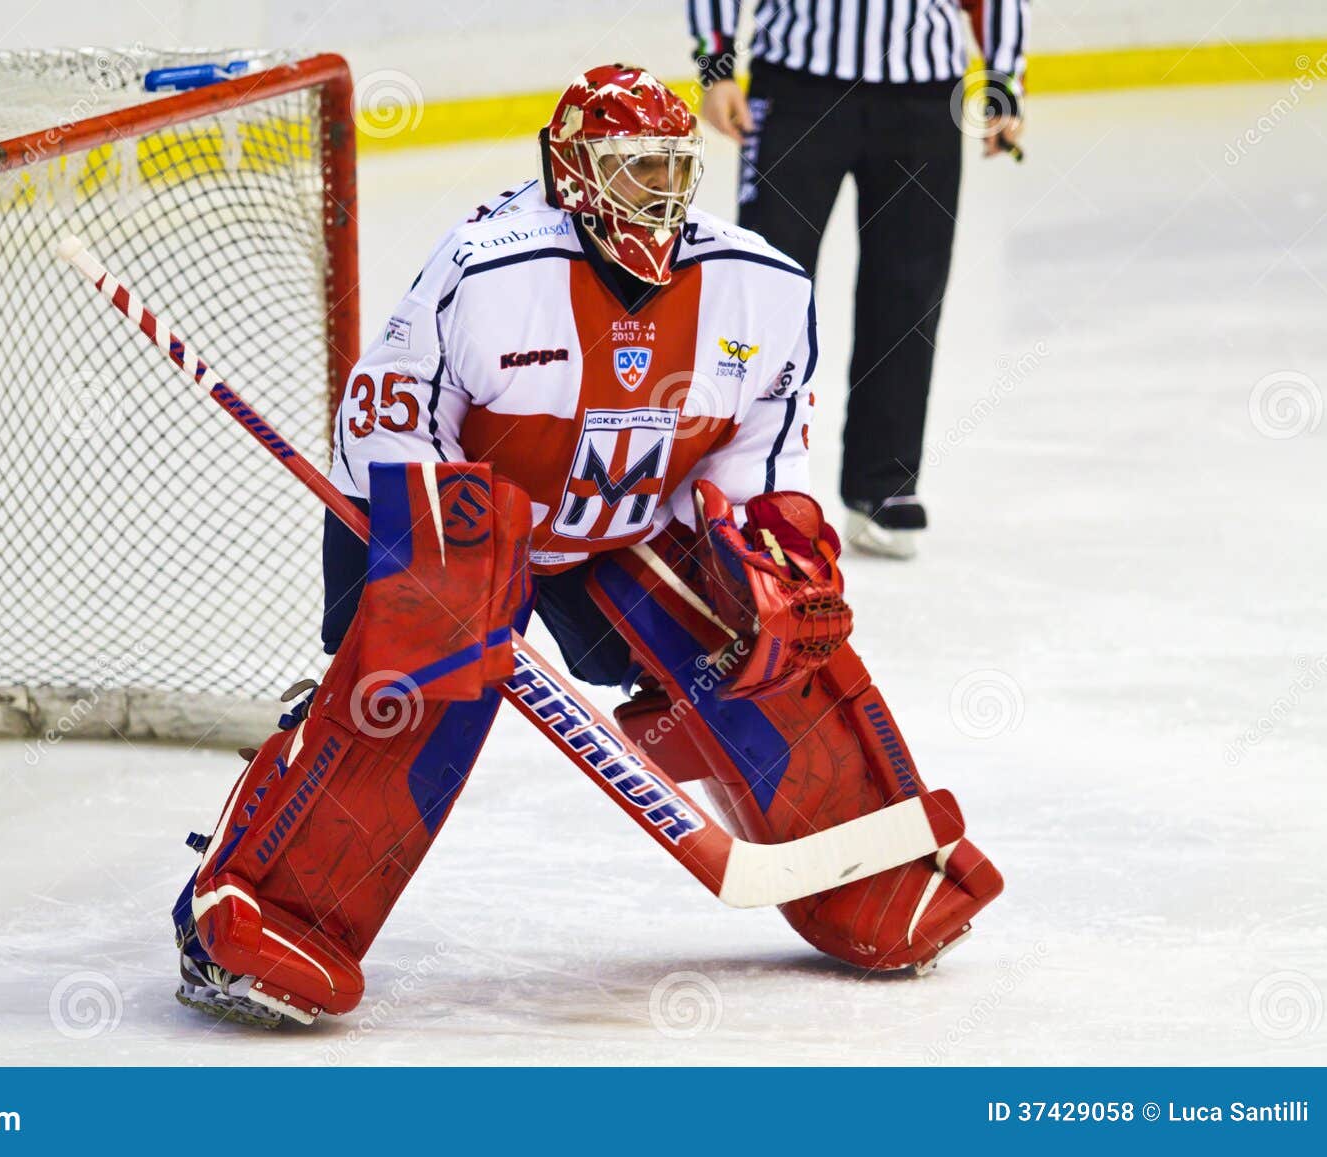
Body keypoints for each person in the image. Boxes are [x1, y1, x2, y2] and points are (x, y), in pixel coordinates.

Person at [170, 65, 1001, 1028]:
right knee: (407, 686)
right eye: (632, 168)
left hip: (630, 528)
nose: (659, 191)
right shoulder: (489, 270)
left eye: (672, 168)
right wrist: (431, 565)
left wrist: (774, 542)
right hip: (482, 522)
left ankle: (877, 873)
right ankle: (259, 908)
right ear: (573, 172)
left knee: (778, 638)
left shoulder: (758, 285)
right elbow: (384, 418)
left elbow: (764, 447)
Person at [692, 0, 1030, 558]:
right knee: (766, 294)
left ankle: (884, 485)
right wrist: (716, 66)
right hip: (798, 84)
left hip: (925, 95)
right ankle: (736, 483)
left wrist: (1004, 77)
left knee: (909, 289)